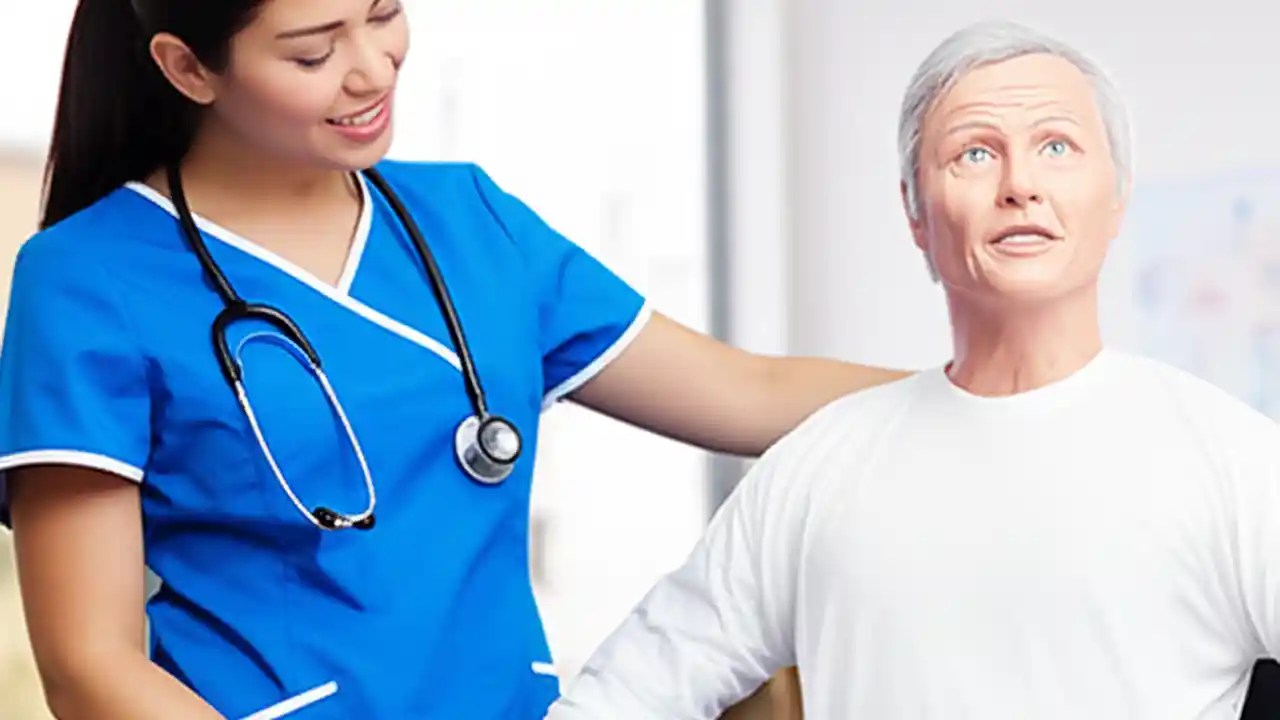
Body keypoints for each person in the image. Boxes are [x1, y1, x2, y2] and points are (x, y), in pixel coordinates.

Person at [0, 1, 910, 718]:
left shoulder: (469, 223)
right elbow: (90, 667)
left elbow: (750, 393)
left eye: (384, 11)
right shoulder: (89, 278)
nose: (371, 68)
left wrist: (1017, 392)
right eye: (312, 52)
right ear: (188, 66)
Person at [545, 19, 1280, 720]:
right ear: (915, 214)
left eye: (1056, 147)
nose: (1020, 184)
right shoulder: (819, 466)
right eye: (975, 153)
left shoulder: (1230, 461)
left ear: (1115, 198)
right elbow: (630, 692)